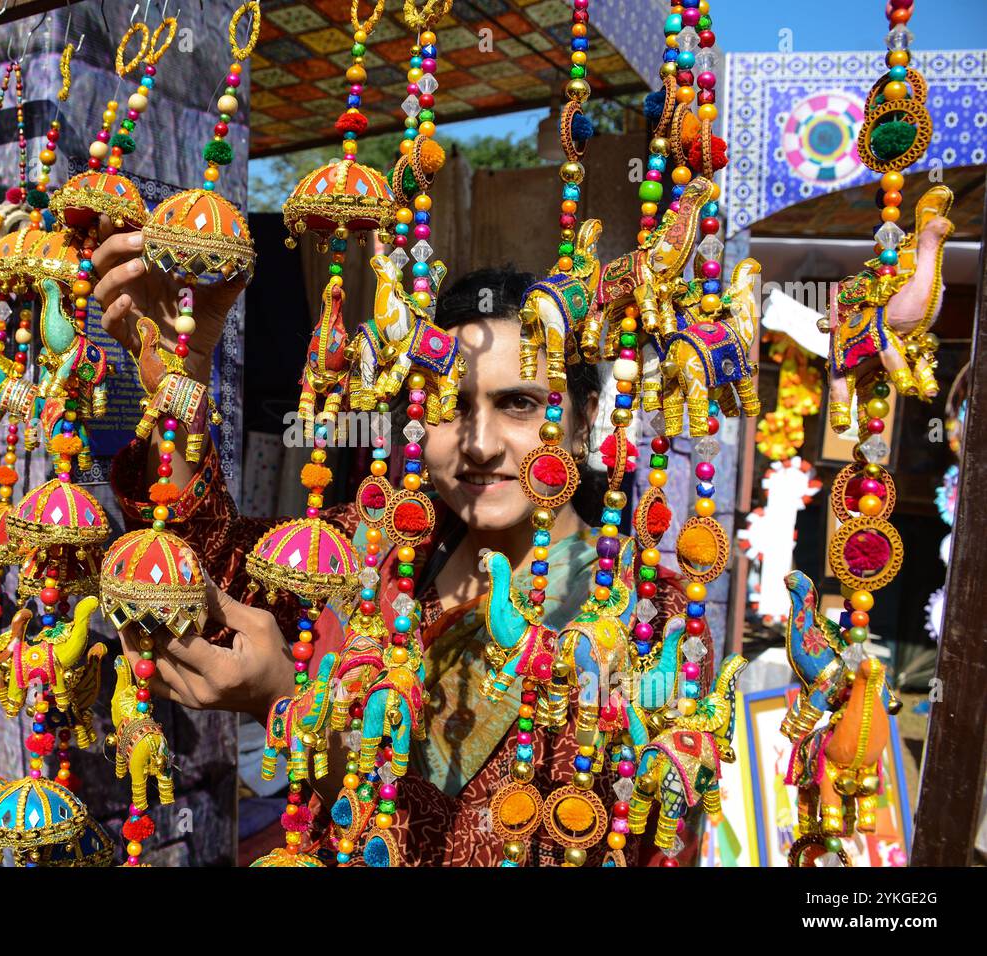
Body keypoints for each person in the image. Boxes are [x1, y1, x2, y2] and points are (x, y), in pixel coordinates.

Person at [91, 224, 705, 866]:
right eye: (449, 405)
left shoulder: (645, 624)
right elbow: (198, 564)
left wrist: (284, 702)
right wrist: (181, 374)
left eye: (520, 405)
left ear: (582, 425)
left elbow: (472, 850)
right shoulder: (384, 541)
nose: (480, 444)